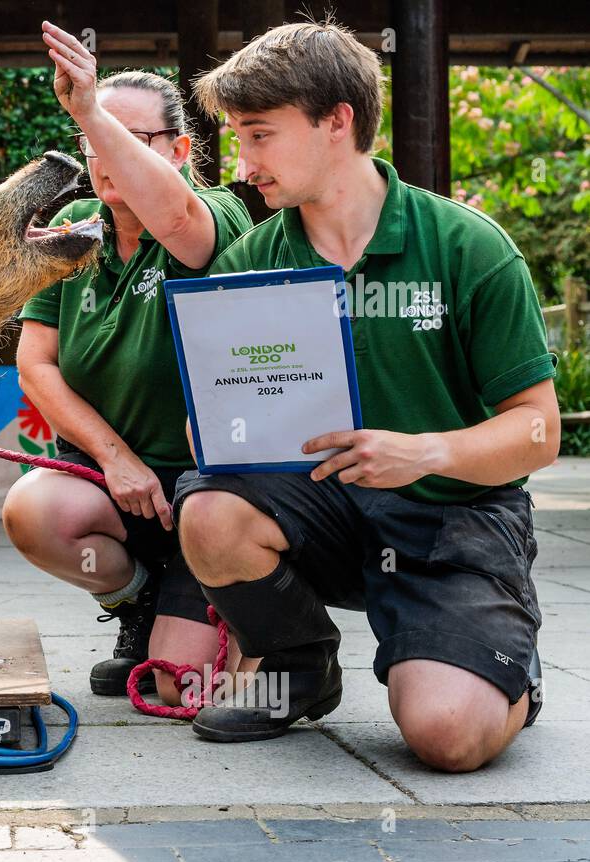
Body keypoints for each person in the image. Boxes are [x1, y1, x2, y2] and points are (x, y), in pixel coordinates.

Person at [171, 17, 559, 771]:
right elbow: (208, 432)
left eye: (259, 136)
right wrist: (218, 427)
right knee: (209, 510)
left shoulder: (469, 248)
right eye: (239, 138)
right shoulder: (251, 261)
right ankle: (297, 665)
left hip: (456, 517)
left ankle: (505, 672)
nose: (241, 164)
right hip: (325, 506)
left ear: (336, 123)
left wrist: (424, 452)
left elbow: (539, 432)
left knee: (447, 738)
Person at [2, 22, 253, 700]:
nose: (106, 153)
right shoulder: (78, 224)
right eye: (94, 138)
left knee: (179, 688)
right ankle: (138, 603)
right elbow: (37, 367)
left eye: (130, 138)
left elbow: (176, 225)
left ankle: (249, 608)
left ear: (178, 150)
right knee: (34, 510)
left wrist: (87, 106)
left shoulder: (215, 214)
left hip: (210, 498)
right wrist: (114, 458)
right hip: (118, 484)